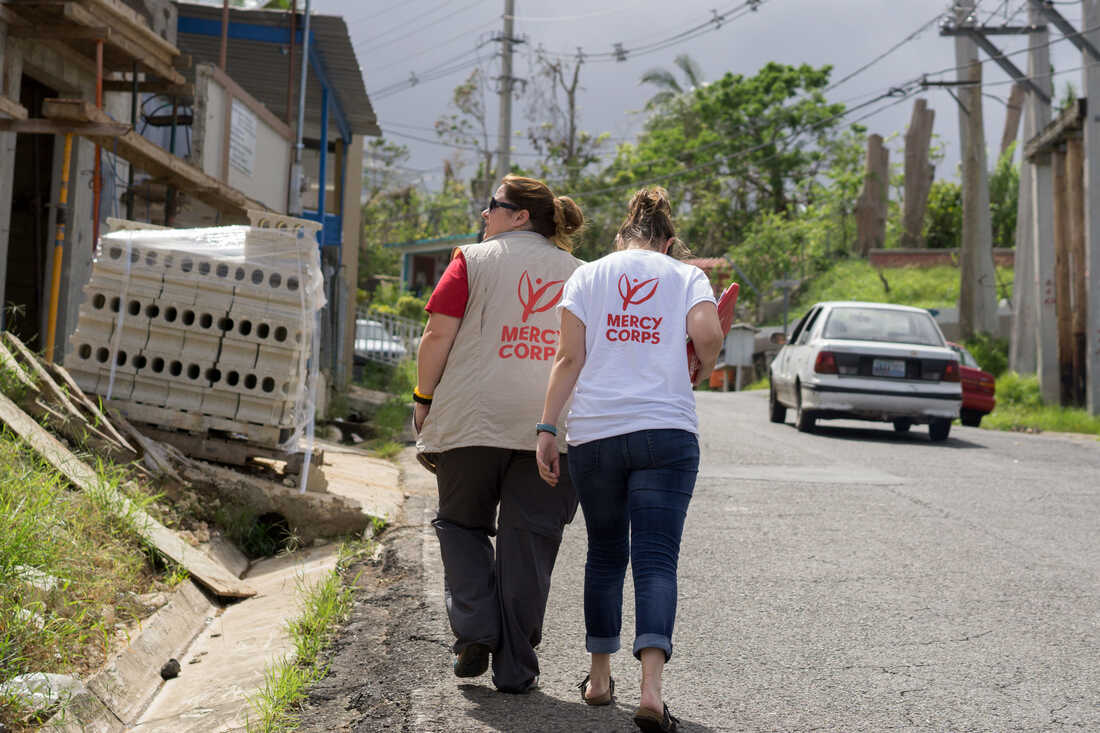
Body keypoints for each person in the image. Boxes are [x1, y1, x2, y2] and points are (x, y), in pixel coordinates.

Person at [535, 187, 723, 732]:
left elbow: (568, 358)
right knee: (656, 558)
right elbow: (708, 333)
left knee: (605, 552)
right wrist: (701, 365)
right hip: (665, 432)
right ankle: (652, 692)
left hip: (595, 434)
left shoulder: (588, 275)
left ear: (622, 236)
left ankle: (598, 679)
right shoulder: (685, 275)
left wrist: (548, 428)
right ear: (667, 241)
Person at [414, 175, 585, 694]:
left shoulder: (471, 259)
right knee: (529, 543)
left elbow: (438, 332)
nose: (484, 215)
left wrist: (423, 399)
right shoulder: (582, 274)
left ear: (519, 216)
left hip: (472, 421)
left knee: (461, 525)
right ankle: (516, 668)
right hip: (551, 428)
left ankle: (474, 629)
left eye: (493, 206)